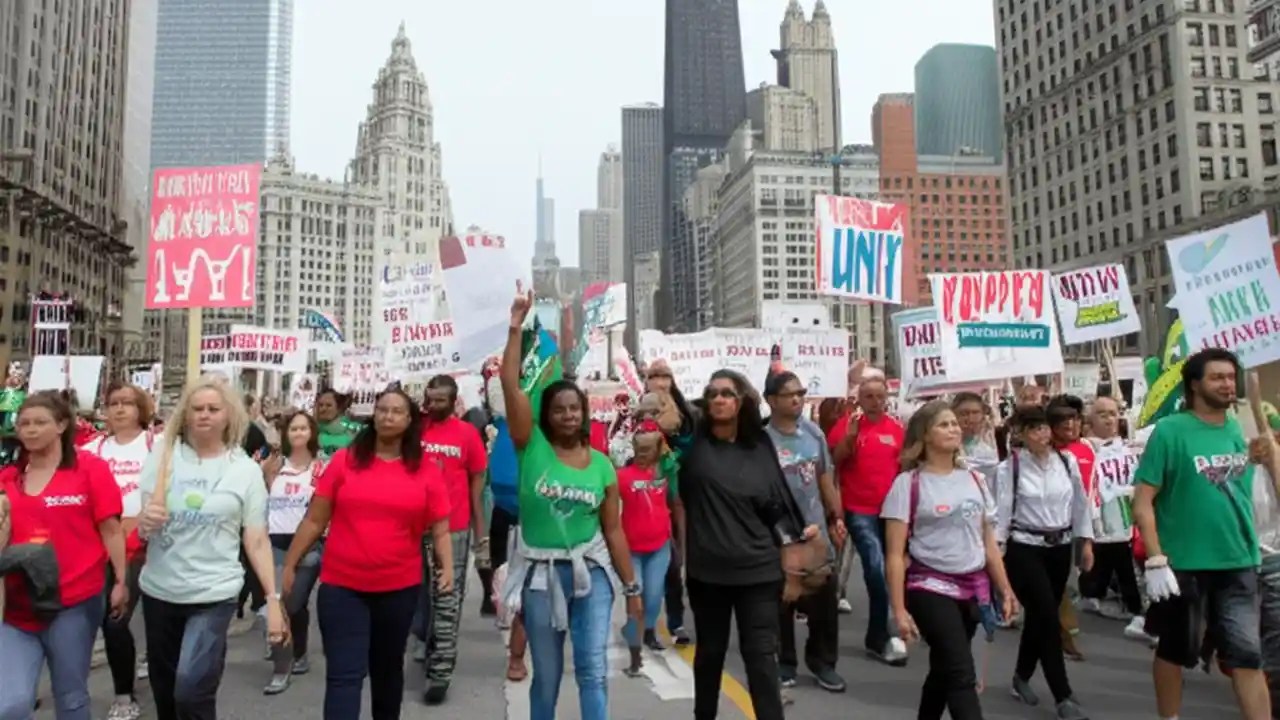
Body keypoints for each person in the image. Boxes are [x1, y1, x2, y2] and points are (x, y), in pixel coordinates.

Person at [497, 289, 641, 720]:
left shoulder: (601, 466)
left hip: (591, 574)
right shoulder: (531, 448)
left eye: (574, 409)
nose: (567, 416)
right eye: (558, 409)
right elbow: (510, 386)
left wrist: (631, 588)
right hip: (541, 577)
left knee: (593, 671)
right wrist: (514, 328)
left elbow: (613, 530)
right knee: (547, 674)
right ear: (546, 416)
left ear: (584, 414)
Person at [282, 388, 453, 720]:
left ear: (409, 420)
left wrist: (446, 568)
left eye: (396, 411)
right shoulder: (346, 461)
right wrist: (290, 563)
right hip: (342, 587)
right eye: (382, 410)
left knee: (387, 672)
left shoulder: (425, 469)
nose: (387, 416)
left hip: (399, 589)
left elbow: (441, 528)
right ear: (373, 415)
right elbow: (316, 519)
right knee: (344, 676)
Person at [1133, 348, 1271, 720]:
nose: (1228, 384)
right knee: (1176, 651)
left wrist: (1266, 452)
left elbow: (1255, 479)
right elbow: (1143, 501)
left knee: (1247, 656)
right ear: (1195, 385)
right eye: (1217, 377)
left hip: (1240, 559)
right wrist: (1157, 558)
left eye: (1231, 377)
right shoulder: (1170, 432)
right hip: (1183, 565)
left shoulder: (1242, 425)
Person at [134, 378, 284, 720]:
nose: (204, 415)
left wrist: (273, 601)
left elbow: (256, 539)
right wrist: (146, 523)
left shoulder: (244, 469)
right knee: (165, 689)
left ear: (228, 416)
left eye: (213, 409)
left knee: (191, 686)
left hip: (214, 593)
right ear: (186, 415)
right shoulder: (163, 454)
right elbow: (142, 524)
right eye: (197, 409)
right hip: (160, 590)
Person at [679, 369, 810, 720]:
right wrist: (662, 383)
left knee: (761, 660)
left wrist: (793, 568)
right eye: (712, 394)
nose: (719, 399)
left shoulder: (759, 446)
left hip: (759, 574)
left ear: (741, 402)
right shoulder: (692, 443)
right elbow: (671, 413)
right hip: (708, 576)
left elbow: (778, 509)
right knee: (709, 657)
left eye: (727, 393)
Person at [883, 400, 1015, 720]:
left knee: (944, 668)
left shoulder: (974, 480)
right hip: (928, 586)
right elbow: (895, 554)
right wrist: (899, 611)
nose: (954, 428)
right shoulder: (908, 484)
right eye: (944, 424)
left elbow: (987, 542)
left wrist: (1005, 590)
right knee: (960, 672)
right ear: (925, 435)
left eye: (955, 423)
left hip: (973, 587)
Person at [0, 391, 128, 720]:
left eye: (40, 422)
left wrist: (120, 581)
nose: (30, 430)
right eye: (24, 423)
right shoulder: (7, 479)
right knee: (10, 706)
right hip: (17, 609)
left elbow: (111, 530)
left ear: (61, 425)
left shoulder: (90, 469)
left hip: (72, 602)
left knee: (70, 698)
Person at [995, 405, 1093, 720]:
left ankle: (1021, 676)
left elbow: (1080, 504)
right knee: (1048, 618)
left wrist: (1085, 542)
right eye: (1033, 428)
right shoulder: (1010, 468)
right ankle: (1062, 694)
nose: (1042, 433)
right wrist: (995, 556)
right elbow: (1002, 513)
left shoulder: (1067, 462)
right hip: (1024, 548)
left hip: (1060, 548)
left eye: (1044, 427)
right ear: (1021, 434)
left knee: (1040, 617)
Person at [763, 371, 847, 693]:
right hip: (778, 536)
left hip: (815, 536)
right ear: (771, 401)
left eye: (800, 392)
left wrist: (836, 517)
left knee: (824, 601)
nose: (797, 398)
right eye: (789, 394)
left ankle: (823, 662)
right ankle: (785, 662)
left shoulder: (814, 434)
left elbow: (825, 479)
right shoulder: (761, 441)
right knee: (782, 601)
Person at [81, 382, 157, 720]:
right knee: (109, 620)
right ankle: (124, 686)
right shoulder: (92, 449)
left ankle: (126, 694)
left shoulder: (157, 445)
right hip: (99, 545)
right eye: (114, 403)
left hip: (145, 546)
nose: (120, 409)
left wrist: (139, 520)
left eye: (128, 402)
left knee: (121, 619)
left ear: (142, 409)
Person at [416, 374, 488, 704]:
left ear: (454, 401)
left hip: (455, 528)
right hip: (413, 528)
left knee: (447, 598)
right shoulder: (415, 429)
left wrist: (480, 533)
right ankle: (429, 643)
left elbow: (477, 486)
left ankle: (440, 672)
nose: (432, 405)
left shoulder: (467, 435)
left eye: (439, 400)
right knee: (419, 602)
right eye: (429, 399)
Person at [827, 376, 908, 665]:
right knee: (874, 568)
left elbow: (905, 468)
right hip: (859, 510)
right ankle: (882, 636)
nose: (875, 401)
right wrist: (848, 439)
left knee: (893, 572)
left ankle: (881, 633)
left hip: (893, 513)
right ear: (859, 399)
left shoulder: (897, 429)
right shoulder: (847, 426)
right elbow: (834, 461)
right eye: (869, 396)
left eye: (879, 396)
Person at [259, 411, 324, 695]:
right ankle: (286, 661)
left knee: (292, 602)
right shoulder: (274, 466)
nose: (298, 433)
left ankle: (292, 655)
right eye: (293, 429)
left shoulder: (322, 468)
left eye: (303, 428)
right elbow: (264, 502)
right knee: (278, 603)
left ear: (312, 432)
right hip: (275, 543)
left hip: (309, 546)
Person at [617, 420, 682, 677]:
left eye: (650, 449)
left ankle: (648, 631)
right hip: (631, 548)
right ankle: (635, 644)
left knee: (654, 596)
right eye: (640, 449)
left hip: (659, 546)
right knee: (637, 596)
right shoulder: (621, 476)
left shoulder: (665, 473)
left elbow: (676, 503)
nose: (644, 454)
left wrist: (680, 540)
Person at [1078, 396, 1143, 624]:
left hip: (1124, 512)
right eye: (1102, 414)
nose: (1109, 419)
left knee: (1118, 554)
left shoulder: (1127, 447)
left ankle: (1096, 593)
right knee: (1111, 555)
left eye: (1113, 413)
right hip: (1097, 514)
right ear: (1090, 419)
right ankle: (1132, 604)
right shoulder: (1085, 449)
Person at [643, 359, 693, 645]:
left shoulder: (685, 413)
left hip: (675, 495)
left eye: (666, 376)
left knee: (674, 561)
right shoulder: (634, 413)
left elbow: (692, 444)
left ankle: (676, 621)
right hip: (642, 494)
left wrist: (673, 450)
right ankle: (644, 624)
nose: (661, 383)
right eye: (655, 376)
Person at [314, 390, 362, 459]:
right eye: (321, 405)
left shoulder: (354, 428)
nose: (323, 409)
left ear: (339, 409)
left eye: (328, 405)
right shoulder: (312, 428)